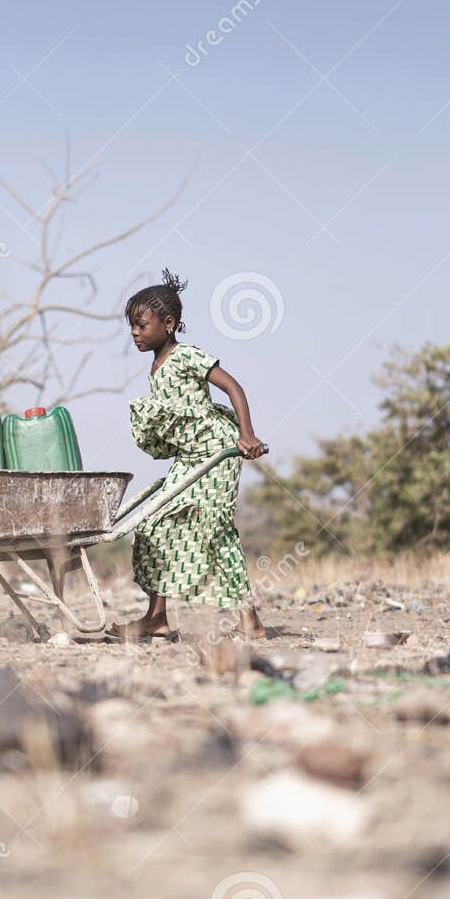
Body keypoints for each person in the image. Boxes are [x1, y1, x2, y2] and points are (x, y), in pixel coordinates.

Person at [113, 268, 267, 641]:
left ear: (168, 324)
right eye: (131, 326)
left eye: (141, 325)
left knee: (213, 531)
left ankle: (250, 620)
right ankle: (157, 618)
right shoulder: (156, 366)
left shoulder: (187, 357)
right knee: (154, 526)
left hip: (215, 452)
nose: (134, 332)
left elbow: (233, 387)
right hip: (190, 457)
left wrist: (247, 434)